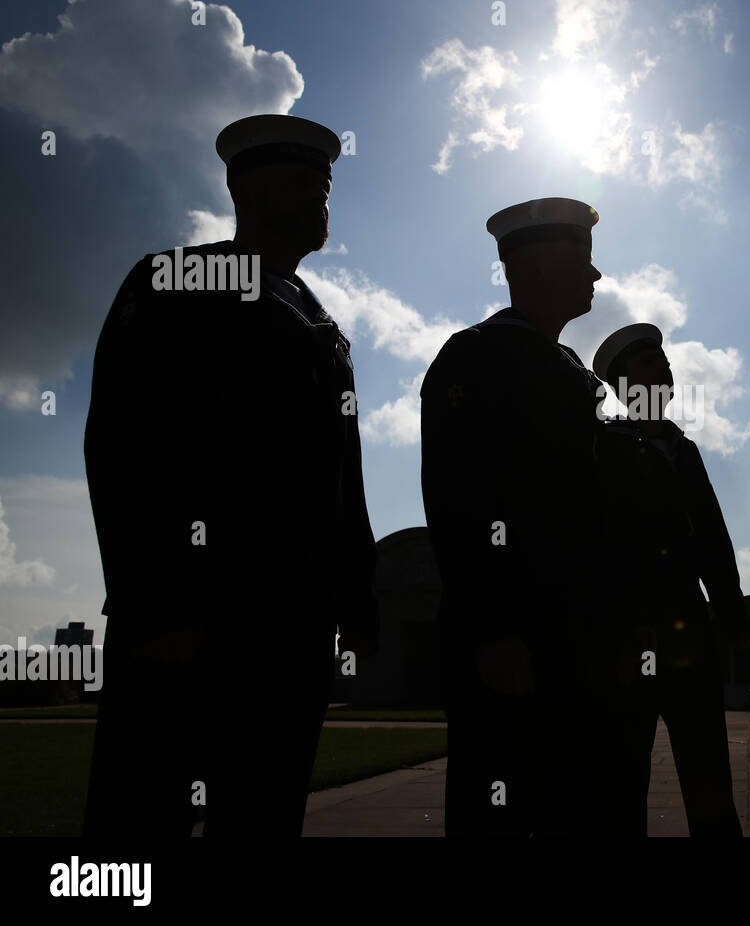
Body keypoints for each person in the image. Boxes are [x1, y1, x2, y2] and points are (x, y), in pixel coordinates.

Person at [82, 114, 380, 837]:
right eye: (299, 181)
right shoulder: (175, 280)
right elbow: (122, 444)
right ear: (242, 187)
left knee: (263, 817)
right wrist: (155, 601)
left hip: (291, 631)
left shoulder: (319, 318)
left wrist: (358, 601)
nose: (318, 198)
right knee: (137, 829)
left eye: (324, 185)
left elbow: (343, 478)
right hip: (195, 616)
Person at [421, 197, 608, 837]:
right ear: (531, 266)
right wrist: (495, 629)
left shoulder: (566, 370)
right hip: (513, 638)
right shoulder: (478, 357)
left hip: (568, 635)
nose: (596, 276)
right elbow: (461, 500)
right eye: (582, 260)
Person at [594, 323, 750, 836]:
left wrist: (733, 618)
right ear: (622, 383)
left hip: (689, 632)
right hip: (629, 636)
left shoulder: (685, 450)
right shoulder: (603, 448)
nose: (663, 368)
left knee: (708, 775)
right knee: (622, 782)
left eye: (662, 361)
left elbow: (714, 540)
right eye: (647, 363)